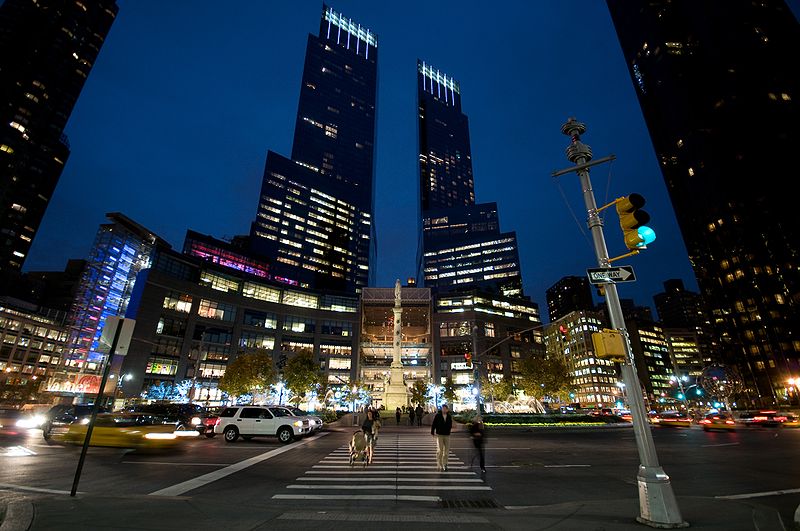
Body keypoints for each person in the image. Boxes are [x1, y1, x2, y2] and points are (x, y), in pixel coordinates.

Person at [431, 404, 453, 471]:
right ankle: (439, 464)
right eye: (443, 408)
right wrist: (432, 431)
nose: (444, 410)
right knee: (440, 450)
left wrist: (448, 430)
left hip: (447, 435)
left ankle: (445, 464)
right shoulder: (438, 416)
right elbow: (434, 424)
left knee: (446, 451)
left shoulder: (449, 416)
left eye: (445, 408)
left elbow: (450, 425)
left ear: (447, 409)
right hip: (440, 434)